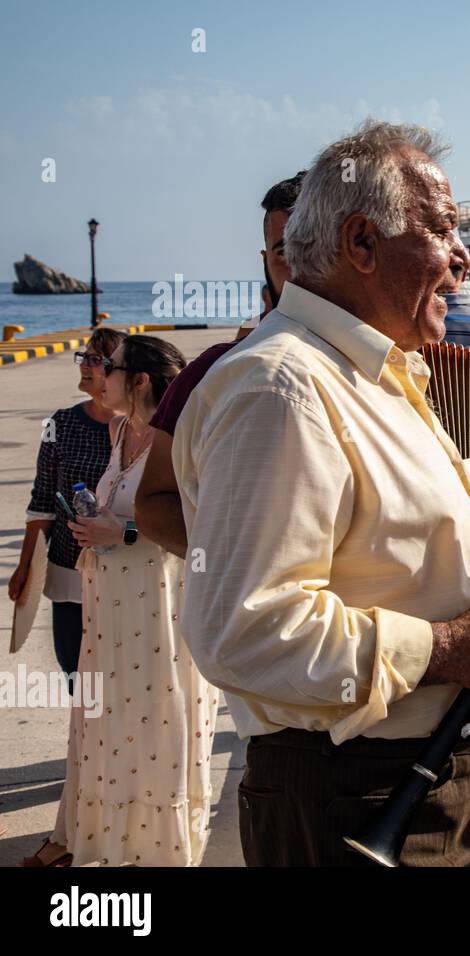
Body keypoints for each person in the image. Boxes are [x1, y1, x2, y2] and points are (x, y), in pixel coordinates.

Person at [173, 120, 470, 866]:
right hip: (365, 794)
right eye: (443, 229)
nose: (462, 256)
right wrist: (449, 647)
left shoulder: (372, 372)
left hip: (426, 784)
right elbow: (245, 629)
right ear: (362, 244)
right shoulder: (282, 389)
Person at [58, 335, 220, 866]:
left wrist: (122, 532)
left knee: (156, 725)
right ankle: (109, 847)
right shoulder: (120, 429)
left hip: (161, 610)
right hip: (109, 611)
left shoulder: (181, 436)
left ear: (141, 380)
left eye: (111, 366)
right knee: (112, 729)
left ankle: (156, 855)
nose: (100, 374)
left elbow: (199, 526)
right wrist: (94, 524)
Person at [134, 171, 305, 557]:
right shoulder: (212, 371)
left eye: (315, 246)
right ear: (265, 260)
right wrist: (239, 563)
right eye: (283, 250)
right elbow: (152, 503)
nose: (299, 266)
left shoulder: (398, 363)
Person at [13, 326, 123, 868]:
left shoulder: (141, 427)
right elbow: (40, 495)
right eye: (83, 357)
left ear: (120, 372)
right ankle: (87, 775)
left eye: (96, 359)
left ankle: (106, 779)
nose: (84, 366)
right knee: (78, 681)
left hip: (121, 580)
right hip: (63, 571)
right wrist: (22, 562)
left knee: (114, 681)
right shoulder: (62, 424)